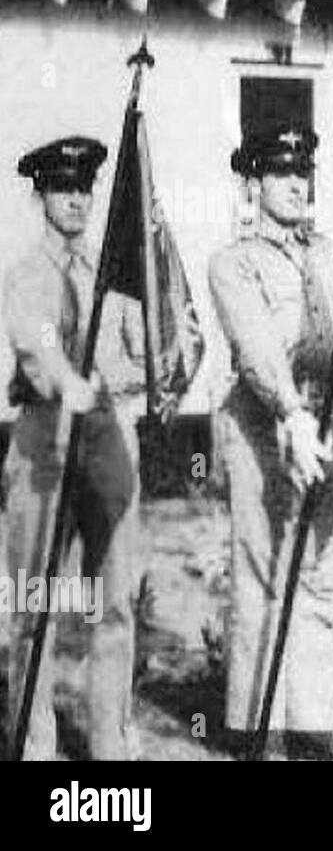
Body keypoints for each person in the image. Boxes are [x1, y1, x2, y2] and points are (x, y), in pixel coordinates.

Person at [209, 121, 333, 758]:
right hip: (262, 423)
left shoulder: (330, 254)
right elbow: (254, 348)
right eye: (280, 173)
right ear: (253, 184)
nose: (297, 185)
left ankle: (311, 725)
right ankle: (252, 729)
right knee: (262, 575)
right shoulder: (233, 261)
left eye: (304, 173)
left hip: (327, 420)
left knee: (325, 575)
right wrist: (290, 413)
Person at [4, 136, 149, 759]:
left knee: (114, 600)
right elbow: (37, 345)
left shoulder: (112, 273)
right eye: (64, 187)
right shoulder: (29, 276)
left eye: (86, 187)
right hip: (45, 446)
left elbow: (143, 347)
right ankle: (36, 742)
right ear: (41, 196)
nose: (78, 199)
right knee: (38, 604)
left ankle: (111, 741)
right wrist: (70, 383)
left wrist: (158, 359)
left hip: (109, 444)